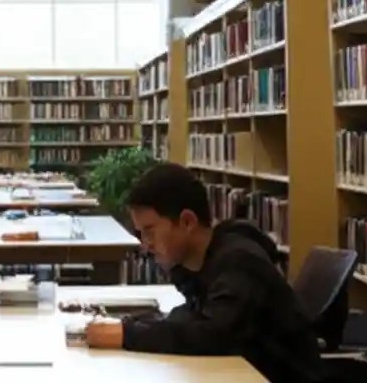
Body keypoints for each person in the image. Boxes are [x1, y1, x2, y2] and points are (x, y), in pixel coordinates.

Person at [85, 163, 323, 383]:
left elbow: (214, 335)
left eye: (150, 231)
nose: (145, 244)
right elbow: (193, 318)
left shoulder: (240, 262)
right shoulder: (202, 264)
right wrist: (133, 324)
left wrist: (127, 335)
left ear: (187, 222)